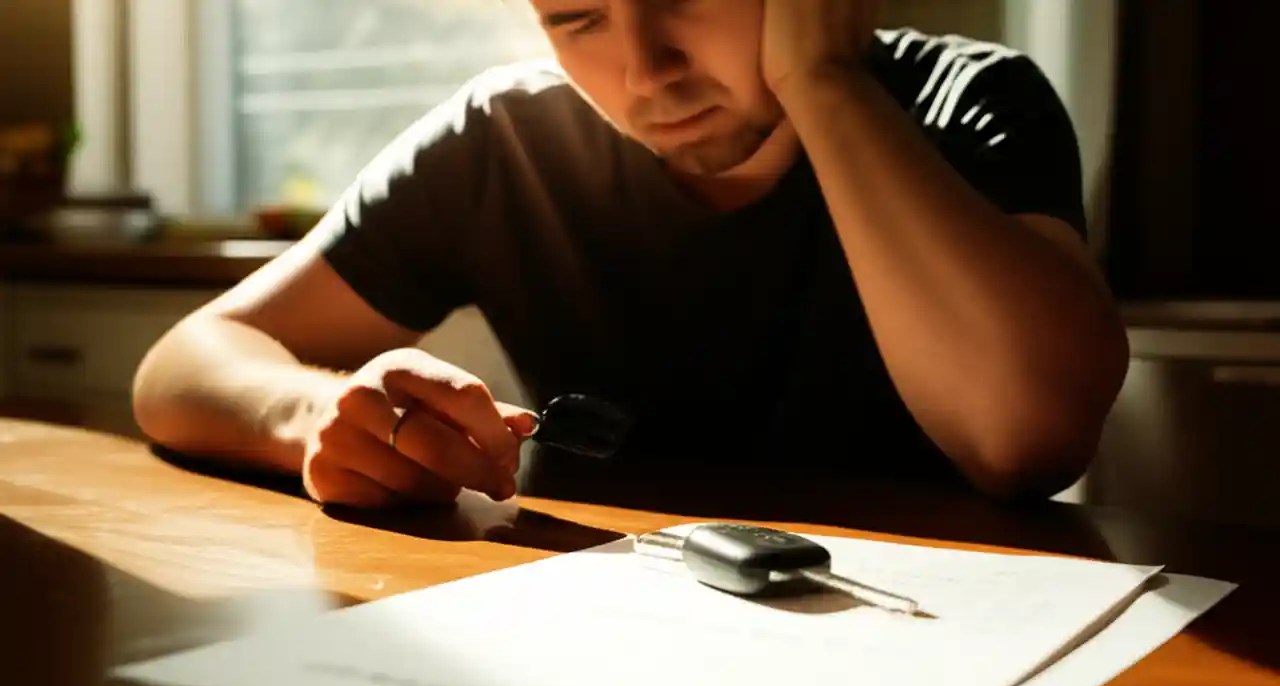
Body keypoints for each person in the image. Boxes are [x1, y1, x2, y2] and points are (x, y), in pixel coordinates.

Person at [132, 0, 1129, 510]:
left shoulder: (969, 104)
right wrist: (322, 415)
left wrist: (822, 79)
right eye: (575, 17)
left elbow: (1025, 439)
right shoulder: (506, 143)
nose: (646, 71)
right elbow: (183, 364)